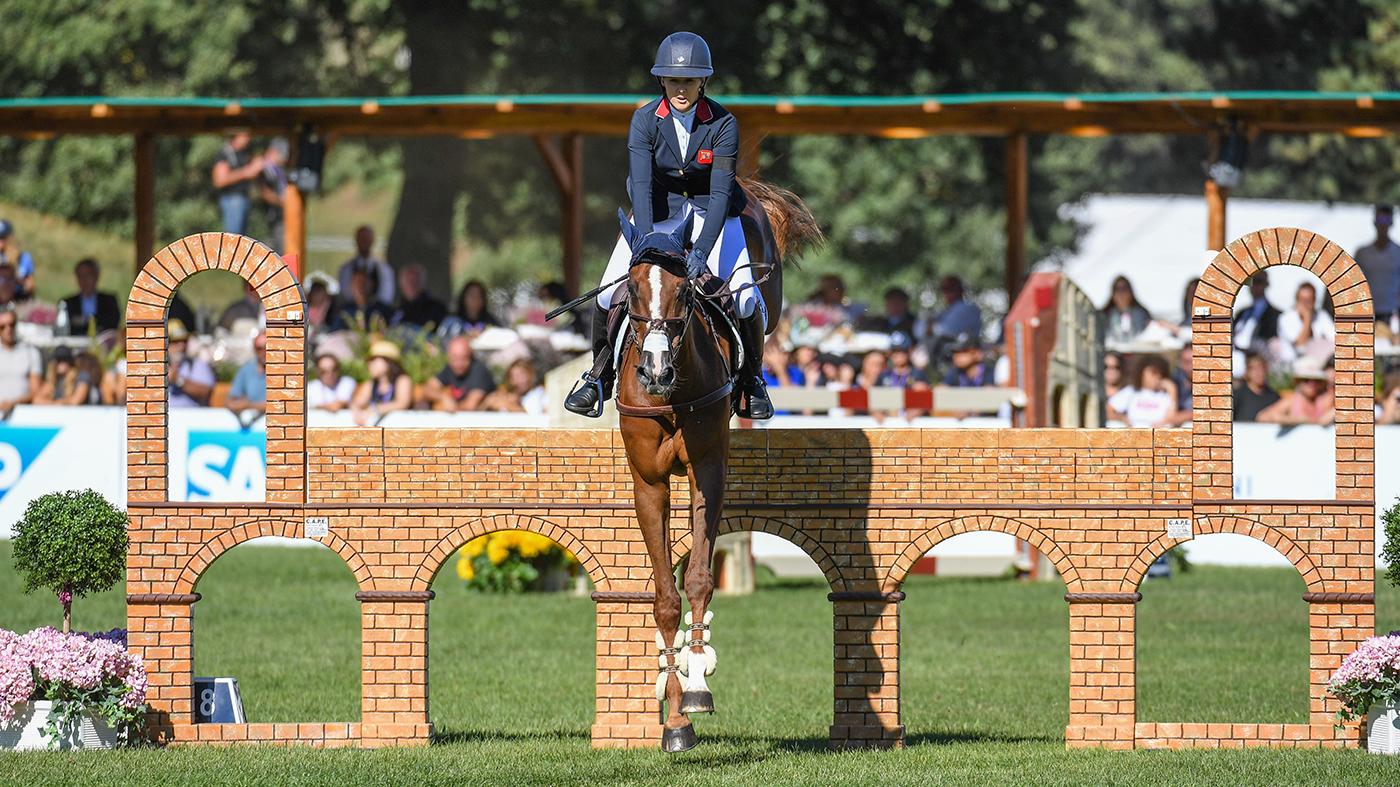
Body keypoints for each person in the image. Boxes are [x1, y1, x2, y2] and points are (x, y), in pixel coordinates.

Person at [566, 33, 773, 419]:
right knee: (606, 294)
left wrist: (701, 250)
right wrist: (646, 243)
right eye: (674, 80)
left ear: (702, 82)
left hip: (712, 212)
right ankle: (599, 377)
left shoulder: (723, 123)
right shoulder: (644, 119)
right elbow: (642, 185)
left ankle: (752, 381)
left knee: (745, 298)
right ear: (662, 80)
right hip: (657, 213)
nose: (681, 89)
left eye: (689, 81)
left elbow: (721, 190)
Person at [211, 133, 264, 236]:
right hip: (232, 199)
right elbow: (219, 180)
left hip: (244, 199)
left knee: (243, 238)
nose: (248, 139)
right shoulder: (224, 154)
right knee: (233, 238)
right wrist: (246, 172)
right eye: (244, 136)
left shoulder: (243, 153)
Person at [1355, 204, 1400, 325]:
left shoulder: (1398, 253)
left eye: (1386, 220)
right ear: (1374, 222)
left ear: (1392, 222)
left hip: (1392, 315)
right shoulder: (1362, 254)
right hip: (1366, 314)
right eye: (1380, 219)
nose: (1383, 224)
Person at [1256, 356, 1334, 426]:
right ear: (1299, 381)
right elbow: (1262, 417)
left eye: (1316, 380)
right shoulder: (1292, 401)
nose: (1312, 384)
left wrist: (1305, 420)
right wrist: (1286, 420)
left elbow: (1323, 420)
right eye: (1306, 380)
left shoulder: (1326, 398)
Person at [1106, 354, 1178, 428]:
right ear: (1142, 373)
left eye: (1160, 374)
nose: (1157, 377)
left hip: (1158, 431)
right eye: (1153, 373)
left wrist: (1172, 390)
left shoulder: (1164, 394)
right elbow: (1109, 409)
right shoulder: (1132, 391)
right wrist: (1121, 418)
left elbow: (1171, 418)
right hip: (1134, 430)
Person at [424, 335, 494, 412]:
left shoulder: (479, 371)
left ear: (471, 356)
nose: (459, 364)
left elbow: (470, 406)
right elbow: (428, 389)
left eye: (464, 358)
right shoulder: (450, 368)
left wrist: (451, 407)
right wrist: (443, 397)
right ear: (448, 357)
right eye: (455, 358)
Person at [350, 340, 413, 426]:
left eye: (374, 360)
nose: (369, 364)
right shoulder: (371, 384)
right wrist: (356, 411)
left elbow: (402, 403)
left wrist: (375, 410)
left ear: (388, 362)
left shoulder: (402, 380)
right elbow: (357, 402)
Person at [1232, 271, 1281, 367]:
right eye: (1251, 282)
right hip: (1235, 356)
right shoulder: (1242, 312)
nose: (1254, 286)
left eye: (1258, 282)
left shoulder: (1275, 315)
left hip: (1258, 360)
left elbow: (1270, 343)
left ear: (1266, 284)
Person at [337, 225, 395, 307]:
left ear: (372, 241)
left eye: (366, 239)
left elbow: (386, 297)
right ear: (356, 240)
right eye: (361, 238)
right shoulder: (345, 270)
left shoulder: (384, 270)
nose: (364, 242)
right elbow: (344, 295)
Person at [1277, 282, 1335, 363]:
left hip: (1318, 361)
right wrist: (1307, 318)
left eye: (1309, 301)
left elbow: (1334, 338)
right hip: (1293, 363)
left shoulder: (1321, 315)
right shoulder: (1286, 318)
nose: (1305, 305)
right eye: (1302, 300)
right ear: (1296, 300)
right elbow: (1301, 345)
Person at [61, 258, 121, 336]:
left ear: (96, 277)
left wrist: (84, 321)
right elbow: (66, 328)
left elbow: (112, 324)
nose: (85, 280)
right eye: (81, 276)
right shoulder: (68, 303)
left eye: (88, 275)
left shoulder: (109, 301)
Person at [0, 307, 41, 415]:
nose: (8, 329)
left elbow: (36, 390)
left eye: (11, 325)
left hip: (23, 415)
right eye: (2, 327)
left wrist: (14, 403)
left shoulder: (30, 352)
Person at [166, 320, 215, 408]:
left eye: (184, 341)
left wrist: (177, 379)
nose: (182, 346)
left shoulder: (197, 364)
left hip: (192, 416)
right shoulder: (153, 367)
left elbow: (205, 392)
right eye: (176, 342)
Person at [922, 276, 982, 344]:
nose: (947, 293)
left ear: (960, 290)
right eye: (944, 289)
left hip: (965, 348)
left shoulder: (968, 308)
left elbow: (948, 330)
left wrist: (930, 328)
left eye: (951, 288)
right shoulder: (946, 311)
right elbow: (918, 329)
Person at [332, 268, 394, 333]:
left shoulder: (383, 310)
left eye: (364, 282)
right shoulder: (344, 311)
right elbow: (335, 333)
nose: (360, 286)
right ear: (351, 286)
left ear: (372, 285)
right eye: (356, 282)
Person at [481, 358, 548, 415]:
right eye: (514, 377)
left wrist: (509, 406)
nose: (519, 381)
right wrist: (488, 402)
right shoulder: (507, 394)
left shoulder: (541, 394)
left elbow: (535, 419)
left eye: (522, 375)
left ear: (531, 374)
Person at [391, 265, 449, 330]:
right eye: (408, 281)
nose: (411, 285)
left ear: (423, 283)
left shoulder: (437, 309)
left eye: (415, 281)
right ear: (401, 285)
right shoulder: (395, 311)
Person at [1101, 276, 1151, 346]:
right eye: (1117, 289)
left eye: (1124, 289)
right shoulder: (1105, 315)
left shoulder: (1141, 314)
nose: (1121, 293)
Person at [258, 138, 288, 253]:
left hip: (280, 214)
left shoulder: (277, 169)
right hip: (274, 215)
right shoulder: (264, 169)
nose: (284, 159)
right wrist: (285, 204)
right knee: (281, 249)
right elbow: (265, 192)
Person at [226, 332, 267, 414]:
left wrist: (250, 406)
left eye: (266, 348)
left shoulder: (283, 371)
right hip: (250, 419)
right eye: (259, 348)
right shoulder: (246, 370)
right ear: (255, 350)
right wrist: (236, 404)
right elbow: (231, 398)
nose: (263, 352)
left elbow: (281, 405)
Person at [1233, 351, 1279, 422]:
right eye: (1254, 369)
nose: (1258, 373)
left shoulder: (1274, 398)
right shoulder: (1237, 396)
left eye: (1261, 369)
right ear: (1247, 372)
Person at [0, 219, 35, 299]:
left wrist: (21, 282)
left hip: (17, 299)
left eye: (2, 238)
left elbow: (31, 286)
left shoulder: (23, 258)